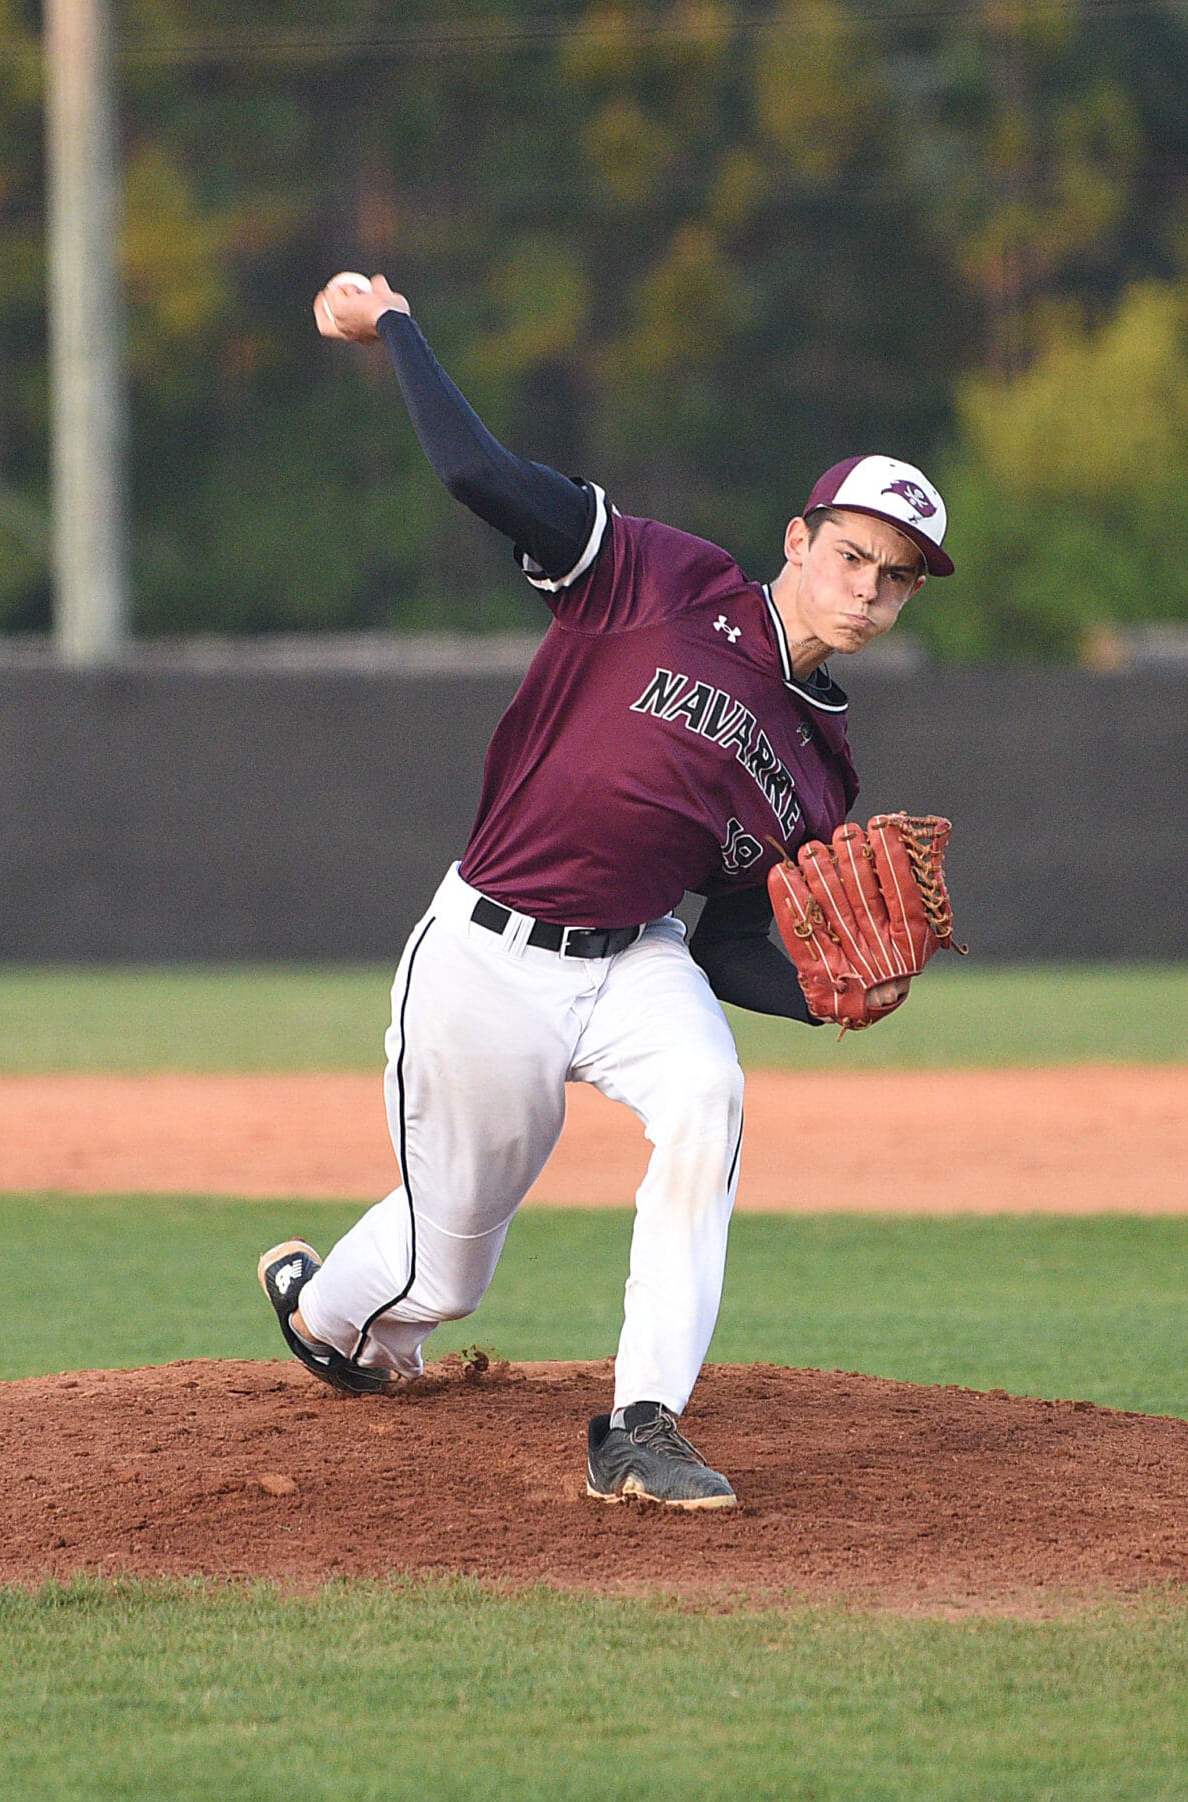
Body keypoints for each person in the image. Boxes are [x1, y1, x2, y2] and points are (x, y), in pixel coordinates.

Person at [257, 270, 954, 1509]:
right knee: (442, 1272)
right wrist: (398, 328)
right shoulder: (659, 576)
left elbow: (734, 943)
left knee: (706, 1092)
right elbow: (480, 475)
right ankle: (325, 1313)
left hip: (635, 957)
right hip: (486, 952)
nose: (865, 587)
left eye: (893, 577)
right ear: (796, 542)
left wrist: (830, 992)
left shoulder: (823, 766)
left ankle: (640, 1421)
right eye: (850, 553)